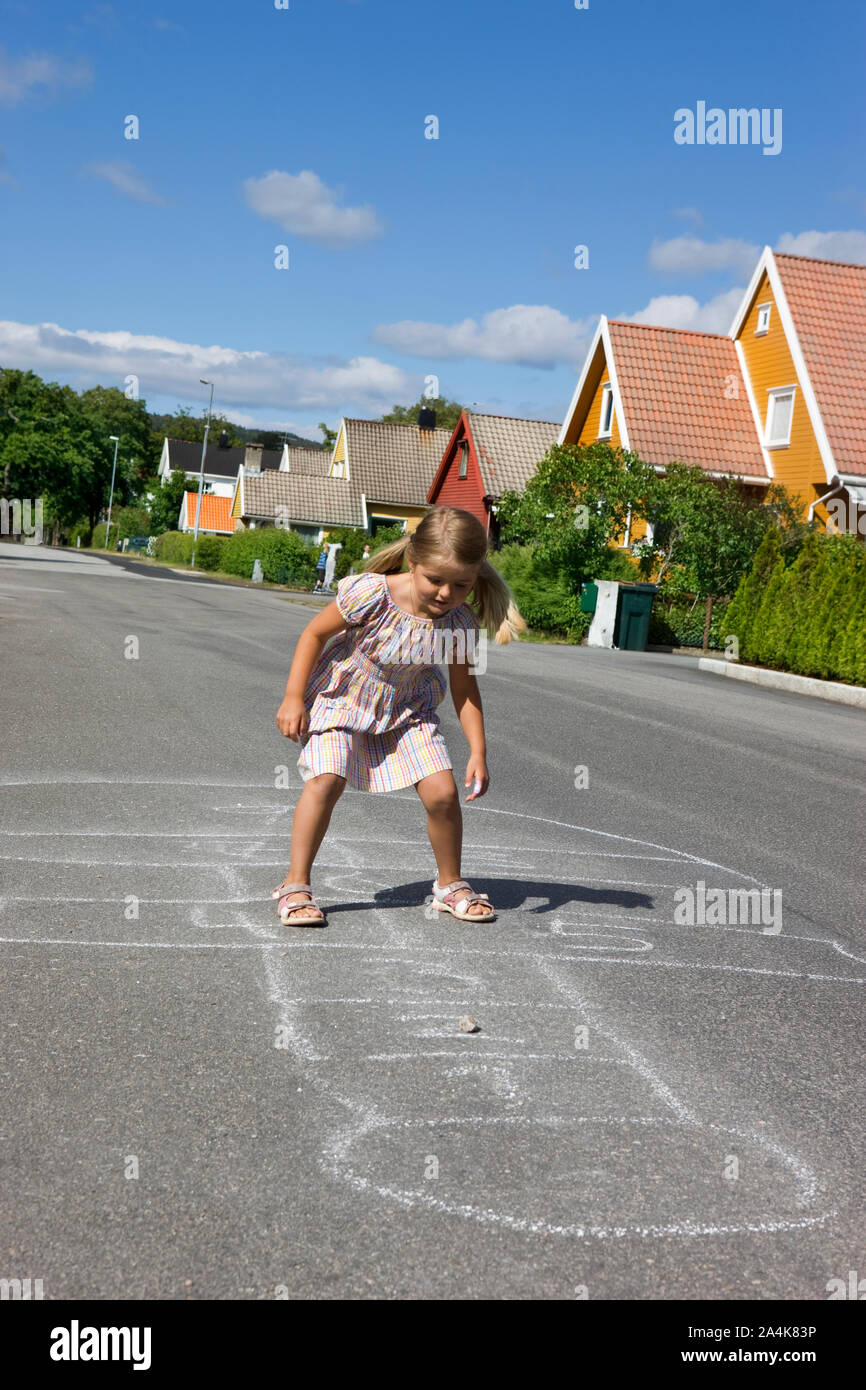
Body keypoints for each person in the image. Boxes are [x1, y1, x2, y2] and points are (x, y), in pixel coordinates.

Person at [273, 507, 526, 926]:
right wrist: (292, 697)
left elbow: (465, 692)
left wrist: (478, 751)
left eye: (462, 584)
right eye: (435, 580)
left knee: (443, 794)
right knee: (327, 779)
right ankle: (295, 885)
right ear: (413, 563)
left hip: (408, 712)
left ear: (476, 577)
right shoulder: (372, 594)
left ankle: (449, 885)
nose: (446, 593)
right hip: (344, 697)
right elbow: (313, 634)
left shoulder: (460, 623)